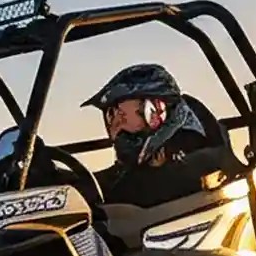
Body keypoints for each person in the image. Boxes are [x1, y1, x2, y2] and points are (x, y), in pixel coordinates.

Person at [81, 64, 232, 206]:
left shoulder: (202, 159)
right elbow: (111, 179)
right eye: (111, 116)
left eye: (123, 115)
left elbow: (134, 188)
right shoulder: (139, 165)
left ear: (155, 111)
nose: (117, 126)